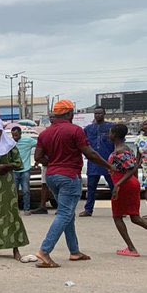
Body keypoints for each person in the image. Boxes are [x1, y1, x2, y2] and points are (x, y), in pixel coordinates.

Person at [34, 100, 109, 268]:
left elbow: (38, 157)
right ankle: (44, 251)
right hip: (69, 176)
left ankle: (74, 251)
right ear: (69, 114)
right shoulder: (75, 130)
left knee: (67, 214)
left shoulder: (45, 133)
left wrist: (53, 162)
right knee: (65, 214)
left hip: (52, 176)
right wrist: (108, 166)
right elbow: (89, 153)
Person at [0, 116, 28, 260]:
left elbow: (19, 164)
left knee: (11, 213)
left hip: (7, 184)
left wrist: (6, 166)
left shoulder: (10, 145)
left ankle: (15, 248)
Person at [106, 124, 147, 256]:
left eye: (110, 133)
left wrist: (118, 185)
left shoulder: (121, 150)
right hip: (129, 184)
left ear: (115, 135)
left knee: (117, 216)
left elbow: (130, 169)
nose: (108, 135)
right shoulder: (125, 148)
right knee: (135, 217)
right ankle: (130, 248)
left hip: (124, 185)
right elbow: (134, 167)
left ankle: (131, 248)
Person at [81, 106, 115, 217]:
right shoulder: (88, 129)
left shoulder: (111, 128)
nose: (98, 115)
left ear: (104, 114)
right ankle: (88, 210)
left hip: (108, 162)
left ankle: (119, 209)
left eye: (100, 113)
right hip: (93, 162)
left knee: (114, 187)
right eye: (96, 113)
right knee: (91, 188)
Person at [11, 126, 37, 214]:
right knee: (14, 191)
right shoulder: (10, 143)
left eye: (16, 135)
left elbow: (40, 144)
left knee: (26, 190)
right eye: (13, 135)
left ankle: (26, 209)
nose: (15, 137)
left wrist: (38, 159)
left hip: (25, 169)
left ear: (20, 134)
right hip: (14, 170)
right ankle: (14, 210)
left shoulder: (28, 141)